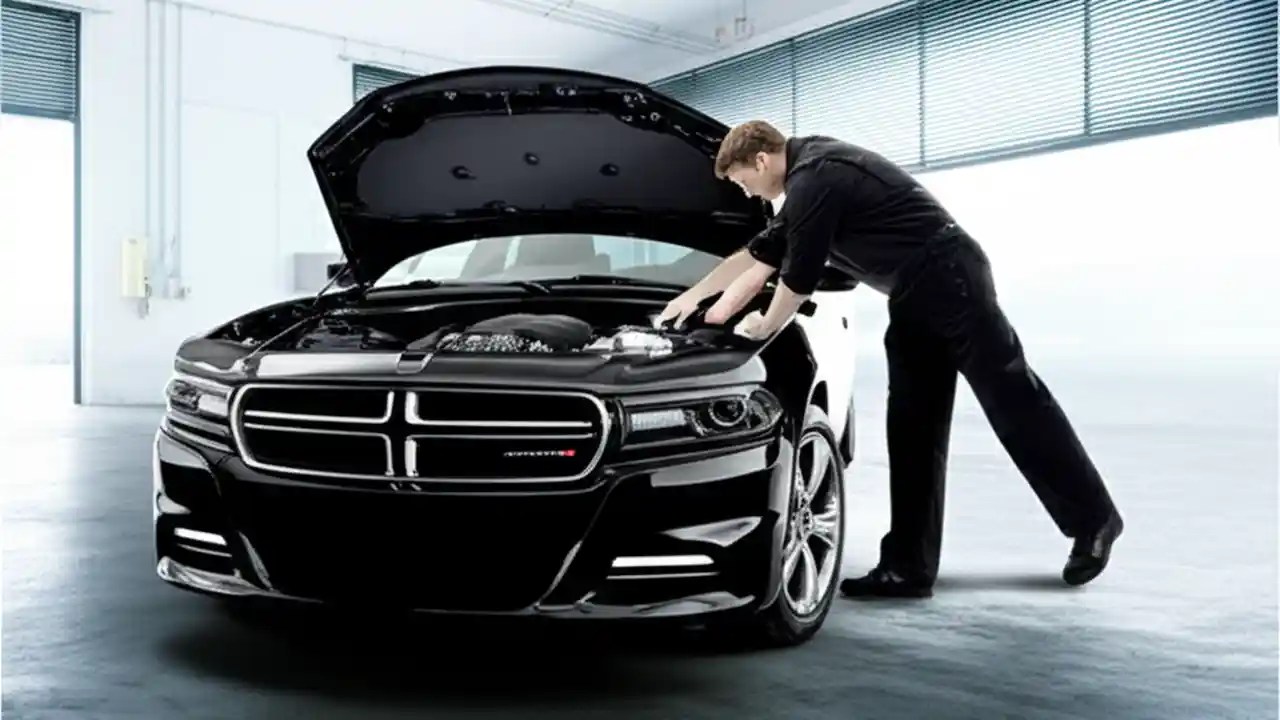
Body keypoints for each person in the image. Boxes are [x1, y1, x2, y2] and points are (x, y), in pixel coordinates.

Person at [655, 120, 1124, 598]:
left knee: (1015, 404)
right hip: (913, 292)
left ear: (759, 160)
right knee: (911, 428)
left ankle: (1095, 521)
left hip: (950, 275)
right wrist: (692, 305)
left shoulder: (817, 175)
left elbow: (797, 279)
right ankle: (908, 567)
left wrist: (764, 325)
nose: (746, 192)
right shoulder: (806, 184)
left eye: (740, 181)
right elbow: (756, 262)